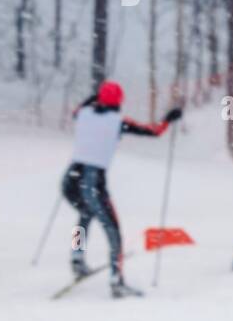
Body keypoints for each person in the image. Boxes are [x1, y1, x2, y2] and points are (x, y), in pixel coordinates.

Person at [63, 80, 182, 297]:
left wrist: (92, 98)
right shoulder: (118, 121)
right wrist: (168, 119)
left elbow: (77, 110)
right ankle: (116, 281)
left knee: (84, 215)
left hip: (70, 181)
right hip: (92, 182)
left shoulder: (83, 114)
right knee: (113, 231)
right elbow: (154, 132)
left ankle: (76, 258)